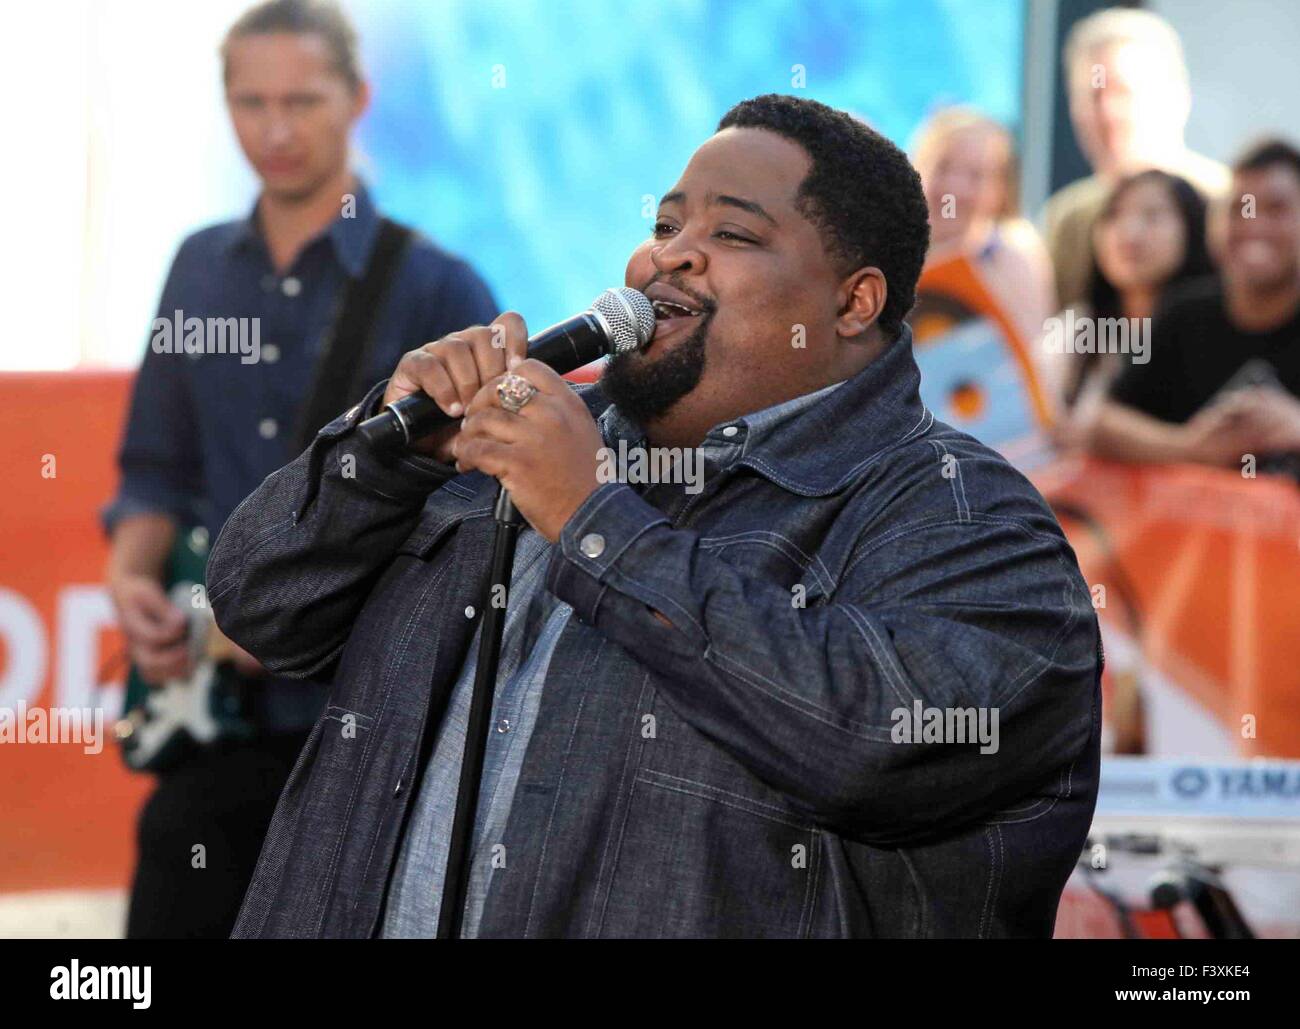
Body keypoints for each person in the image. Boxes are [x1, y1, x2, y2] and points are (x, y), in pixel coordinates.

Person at [209, 94, 1101, 939]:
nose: (669, 255)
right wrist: (383, 455)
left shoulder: (966, 516)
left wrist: (593, 519)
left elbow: (880, 745)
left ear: (852, 301)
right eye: (666, 225)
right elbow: (259, 602)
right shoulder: (508, 441)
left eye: (732, 233)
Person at [103, 0, 498, 939]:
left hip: (357, 723)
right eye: (251, 103)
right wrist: (130, 580)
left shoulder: (437, 285)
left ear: (356, 99)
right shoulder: (196, 268)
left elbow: (481, 520)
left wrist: (298, 607)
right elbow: (155, 464)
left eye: (302, 100)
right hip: (210, 729)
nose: (274, 130)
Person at [1082, 140, 1300, 467]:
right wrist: (1189, 447)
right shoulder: (1185, 313)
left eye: (1277, 209)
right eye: (1239, 209)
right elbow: (1102, 424)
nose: (1255, 225)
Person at [1042, 7, 1229, 309]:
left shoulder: (1228, 202)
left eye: (1123, 92)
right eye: (1093, 96)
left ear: (1178, 99)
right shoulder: (1066, 220)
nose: (1108, 113)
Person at [1050, 169, 1212, 419]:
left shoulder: (1213, 331)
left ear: (1192, 228)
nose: (1129, 233)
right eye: (1114, 214)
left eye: (1152, 216)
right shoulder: (1072, 331)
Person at [912, 106, 1056, 346]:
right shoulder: (884, 252)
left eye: (975, 175)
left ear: (1000, 190)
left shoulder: (1014, 255)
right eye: (942, 166)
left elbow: (1032, 363)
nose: (954, 188)